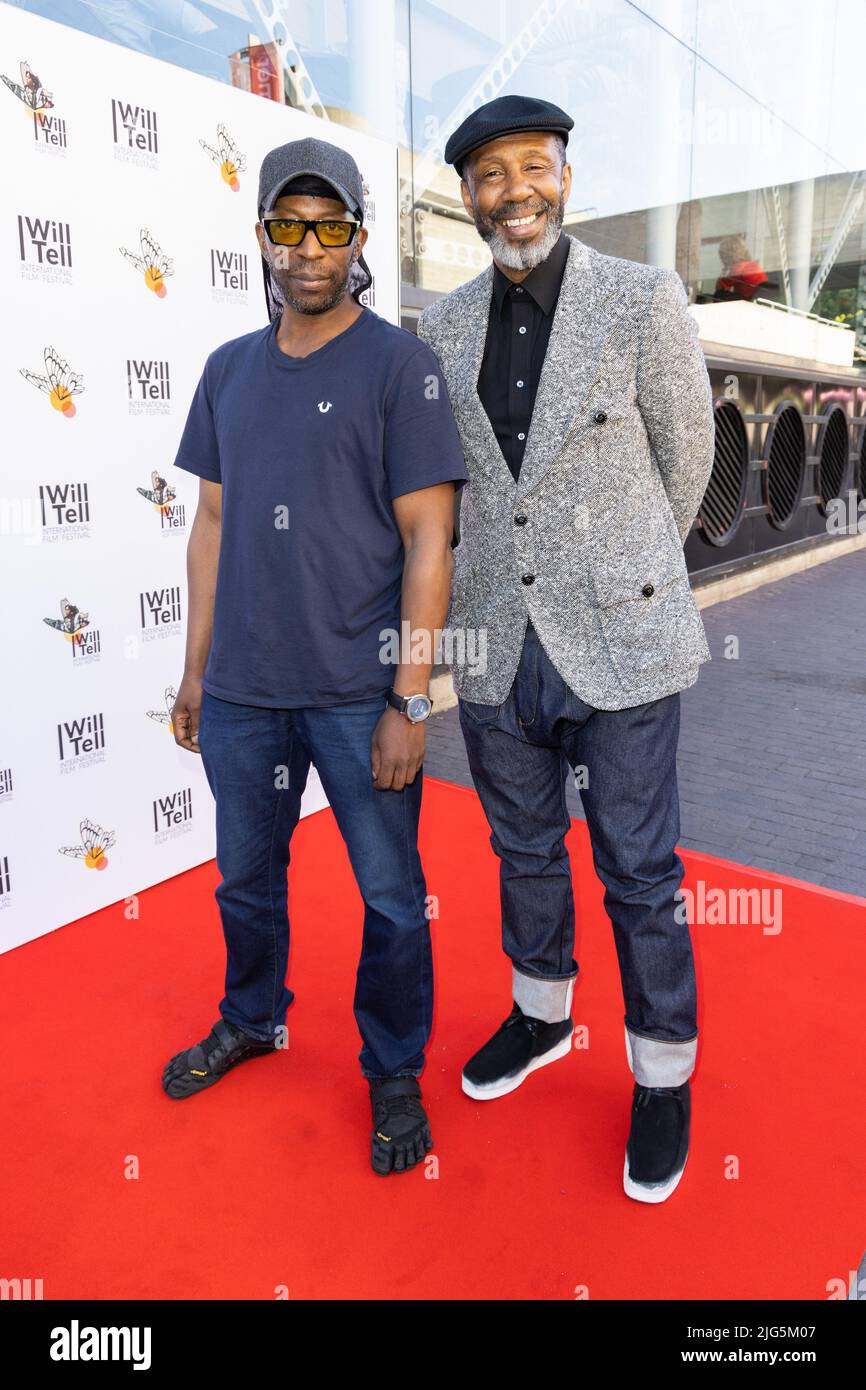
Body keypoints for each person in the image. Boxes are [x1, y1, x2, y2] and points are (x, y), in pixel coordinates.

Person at [417, 95, 715, 1203]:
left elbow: (684, 462)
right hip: (495, 642)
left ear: (564, 176)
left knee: (638, 871)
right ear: (466, 196)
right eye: (489, 176)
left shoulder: (639, 299)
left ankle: (660, 1075)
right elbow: (446, 494)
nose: (513, 192)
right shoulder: (441, 327)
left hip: (620, 641)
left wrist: (622, 577)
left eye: (530, 167)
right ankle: (540, 1017)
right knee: (523, 851)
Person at [163, 136, 468, 1177]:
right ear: (260, 236)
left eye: (327, 227)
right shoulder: (225, 372)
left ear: (357, 239)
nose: (306, 247)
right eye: (286, 226)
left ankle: (391, 1067)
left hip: (357, 695)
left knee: (389, 897)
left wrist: (410, 701)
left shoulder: (399, 366)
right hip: (243, 692)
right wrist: (197, 668)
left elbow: (431, 538)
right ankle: (251, 1016)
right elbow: (207, 523)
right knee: (242, 883)